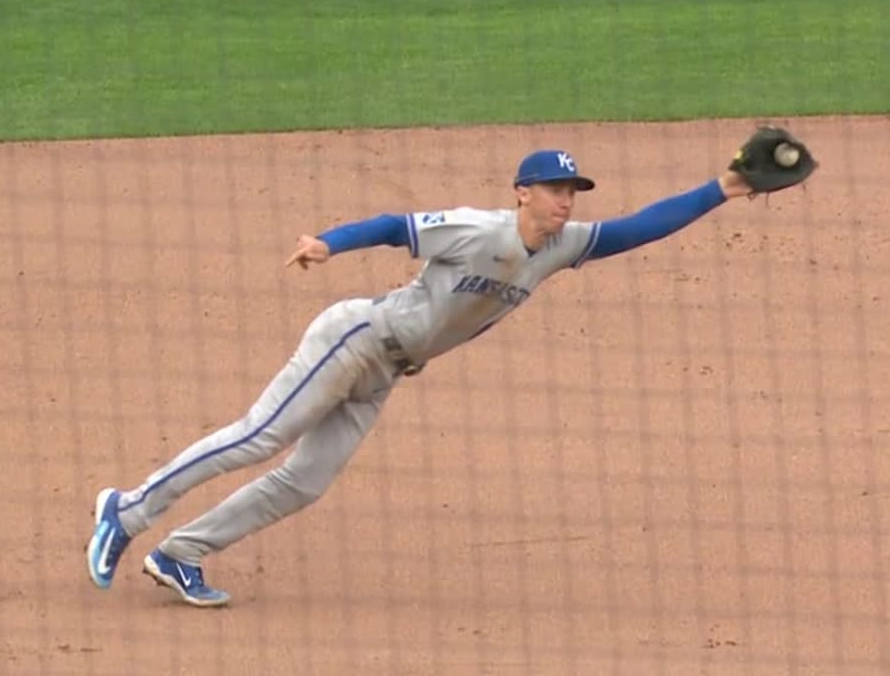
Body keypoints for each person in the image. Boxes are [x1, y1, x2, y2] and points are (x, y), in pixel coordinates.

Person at [85, 146, 766, 607]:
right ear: (523, 191)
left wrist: (726, 187)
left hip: (389, 369)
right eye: (555, 188)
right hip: (354, 339)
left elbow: (642, 226)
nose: (566, 200)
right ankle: (129, 509)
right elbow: (393, 224)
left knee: (305, 480)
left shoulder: (563, 248)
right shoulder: (477, 228)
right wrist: (328, 242)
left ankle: (181, 555)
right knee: (260, 437)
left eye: (572, 190)